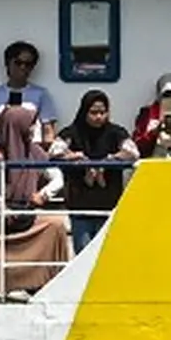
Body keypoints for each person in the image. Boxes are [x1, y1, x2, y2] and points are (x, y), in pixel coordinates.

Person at [50, 88, 137, 252]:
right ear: (84, 112)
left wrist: (109, 161)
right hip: (80, 207)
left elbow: (132, 152)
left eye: (103, 112)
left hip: (108, 206)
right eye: (93, 112)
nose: (98, 117)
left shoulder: (116, 132)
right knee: (83, 251)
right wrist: (76, 158)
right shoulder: (72, 132)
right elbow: (54, 152)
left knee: (105, 253)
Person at [0, 41, 58, 160]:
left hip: (32, 148)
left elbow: (48, 129)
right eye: (18, 62)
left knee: (56, 176)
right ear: (7, 64)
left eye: (28, 64)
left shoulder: (41, 94)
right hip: (1, 150)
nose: (23, 67)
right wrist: (3, 116)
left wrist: (45, 151)